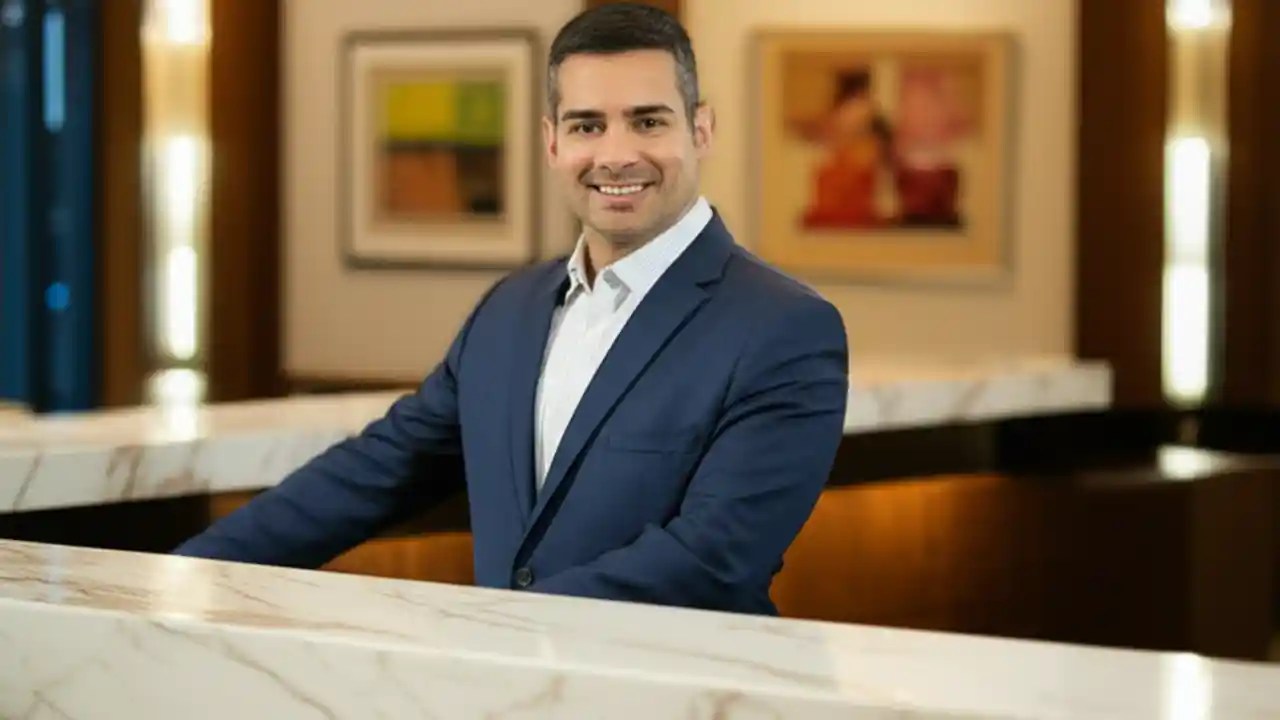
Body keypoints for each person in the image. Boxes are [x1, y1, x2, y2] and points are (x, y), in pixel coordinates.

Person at [173, 2, 849, 616]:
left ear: (701, 129)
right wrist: (183, 576)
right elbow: (376, 472)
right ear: (553, 142)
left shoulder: (785, 328)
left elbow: (713, 560)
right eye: (587, 125)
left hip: (671, 691)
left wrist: (495, 629)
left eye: (648, 121)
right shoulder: (510, 310)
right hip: (504, 688)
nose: (616, 155)